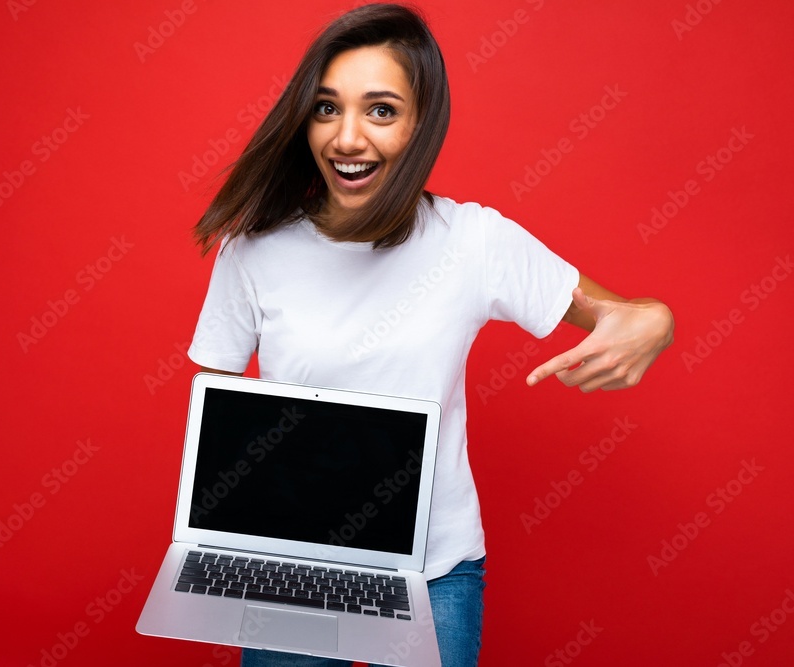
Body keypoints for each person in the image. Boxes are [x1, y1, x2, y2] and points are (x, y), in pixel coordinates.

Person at [185, 4, 674, 666]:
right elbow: (221, 415)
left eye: (381, 110)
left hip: (431, 570)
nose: (347, 138)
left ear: (421, 124)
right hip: (294, 563)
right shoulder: (254, 250)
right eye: (327, 108)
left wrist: (655, 318)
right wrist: (227, 546)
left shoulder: (471, 241)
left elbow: (616, 312)